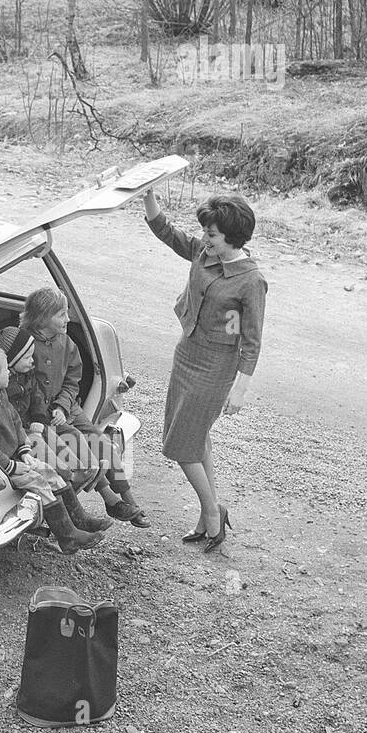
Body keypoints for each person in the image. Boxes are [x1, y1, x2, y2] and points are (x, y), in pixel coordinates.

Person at [143, 188, 268, 552]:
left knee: (181, 445)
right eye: (206, 233)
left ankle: (211, 512)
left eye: (212, 234)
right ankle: (211, 512)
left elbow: (252, 339)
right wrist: (148, 194)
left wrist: (240, 388)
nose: (205, 240)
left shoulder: (251, 280)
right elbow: (165, 231)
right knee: (195, 438)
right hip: (187, 354)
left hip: (216, 367)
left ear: (232, 236)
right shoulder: (204, 252)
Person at [21, 288, 149, 527]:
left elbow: (73, 379)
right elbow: (29, 387)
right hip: (40, 416)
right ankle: (112, 500)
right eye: (61, 315)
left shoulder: (66, 343)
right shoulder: (24, 344)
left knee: (105, 446)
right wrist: (53, 411)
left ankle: (128, 498)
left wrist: (63, 404)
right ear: (42, 317)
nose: (68, 319)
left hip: (68, 408)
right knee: (81, 448)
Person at [0, 343, 106, 554]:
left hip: (17, 456)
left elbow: (15, 421)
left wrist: (24, 450)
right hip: (2, 465)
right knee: (39, 481)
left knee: (50, 473)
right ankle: (67, 536)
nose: (8, 374)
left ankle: (80, 520)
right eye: (6, 370)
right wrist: (11, 465)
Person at [0, 325, 110, 533]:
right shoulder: (4, 386)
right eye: (27, 357)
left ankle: (79, 486)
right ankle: (70, 508)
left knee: (64, 450)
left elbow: (37, 396)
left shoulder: (26, 374)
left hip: (37, 425)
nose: (32, 361)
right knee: (57, 466)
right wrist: (31, 430)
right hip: (24, 435)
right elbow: (10, 417)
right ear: (11, 361)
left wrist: (40, 418)